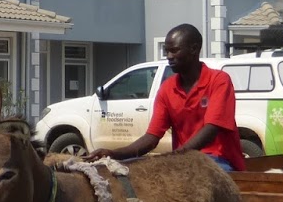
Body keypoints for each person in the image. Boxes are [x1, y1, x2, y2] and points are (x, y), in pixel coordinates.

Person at [85, 23, 246, 171]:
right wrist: (113, 154)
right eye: (166, 51)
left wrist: (173, 157)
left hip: (218, 160)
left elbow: (211, 129)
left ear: (194, 49)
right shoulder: (167, 89)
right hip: (183, 161)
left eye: (174, 50)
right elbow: (152, 138)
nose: (169, 56)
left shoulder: (219, 80)